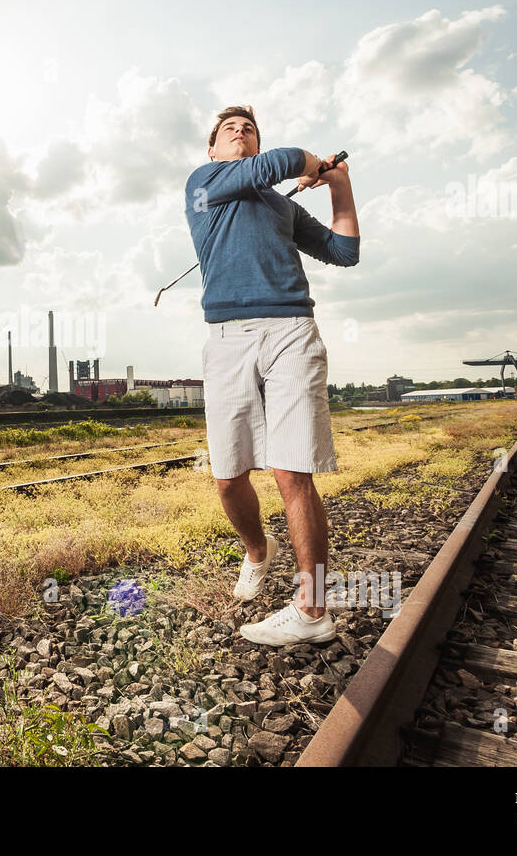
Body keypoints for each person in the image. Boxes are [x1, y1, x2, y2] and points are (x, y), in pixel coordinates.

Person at [184, 105, 360, 645]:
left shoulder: (280, 206)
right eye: (229, 131)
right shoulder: (203, 184)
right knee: (229, 475)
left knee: (293, 471)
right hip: (228, 339)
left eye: (250, 130)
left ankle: (312, 611)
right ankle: (258, 550)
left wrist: (338, 183)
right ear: (213, 150)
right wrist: (309, 161)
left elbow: (344, 251)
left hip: (291, 331)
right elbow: (282, 161)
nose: (241, 134)